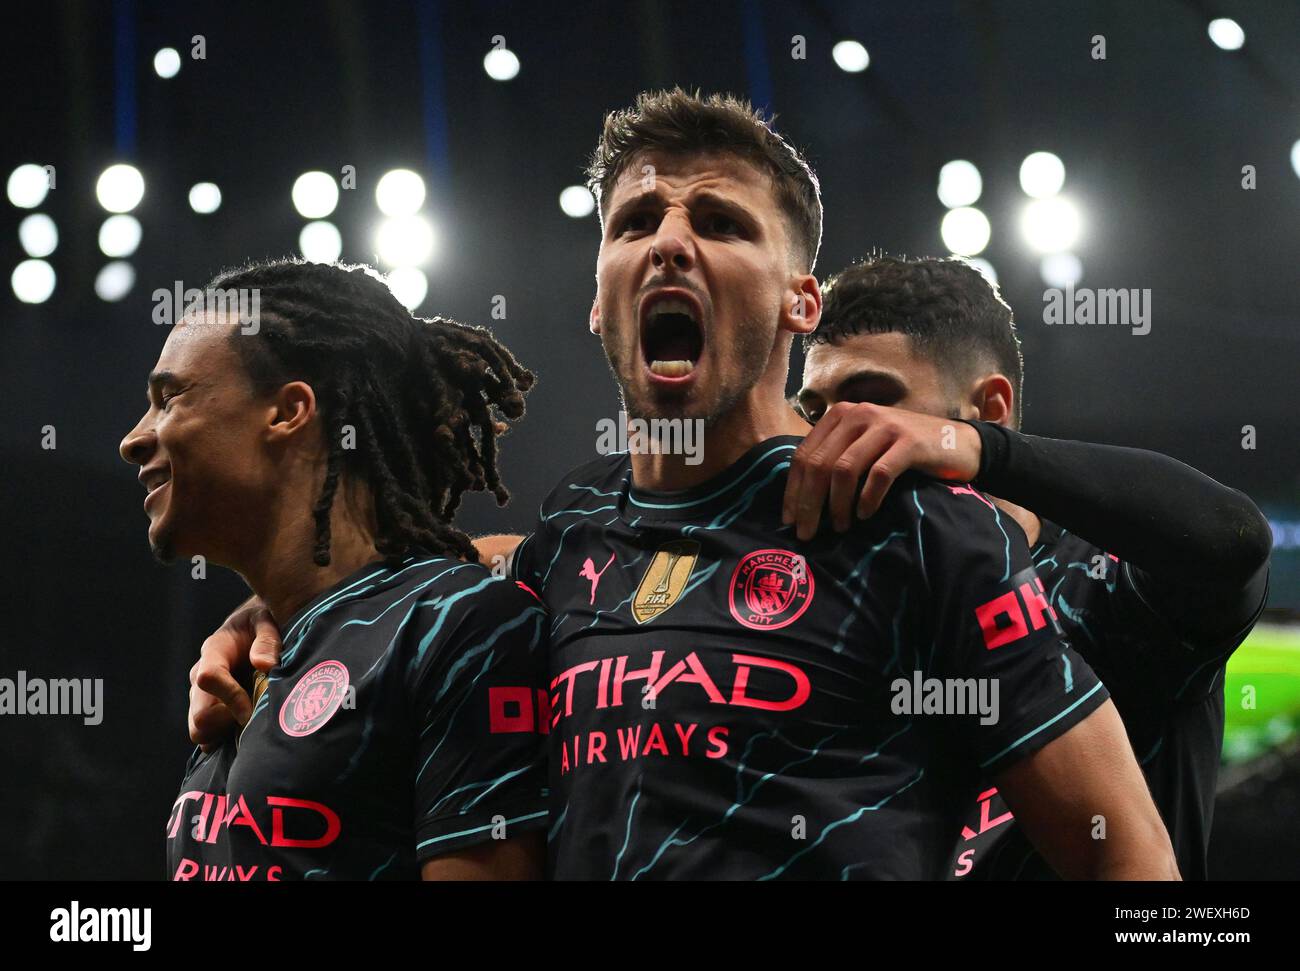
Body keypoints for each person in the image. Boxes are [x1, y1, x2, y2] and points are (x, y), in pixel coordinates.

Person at [187, 91, 1179, 880]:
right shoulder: (574, 532)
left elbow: (1122, 850)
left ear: (801, 303)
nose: (669, 241)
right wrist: (272, 612)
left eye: (720, 221)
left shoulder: (917, 530)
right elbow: (450, 575)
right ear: (596, 300)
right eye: (634, 222)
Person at [789, 254, 1272, 879]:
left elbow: (1231, 538)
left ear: (988, 411)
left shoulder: (1108, 589)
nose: (834, 440)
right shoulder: (834, 601)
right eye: (813, 412)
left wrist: (971, 453)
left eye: (874, 404)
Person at [120, 259, 548, 880]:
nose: (135, 438)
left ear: (288, 411)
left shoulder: (459, 625)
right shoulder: (245, 663)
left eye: (169, 399)